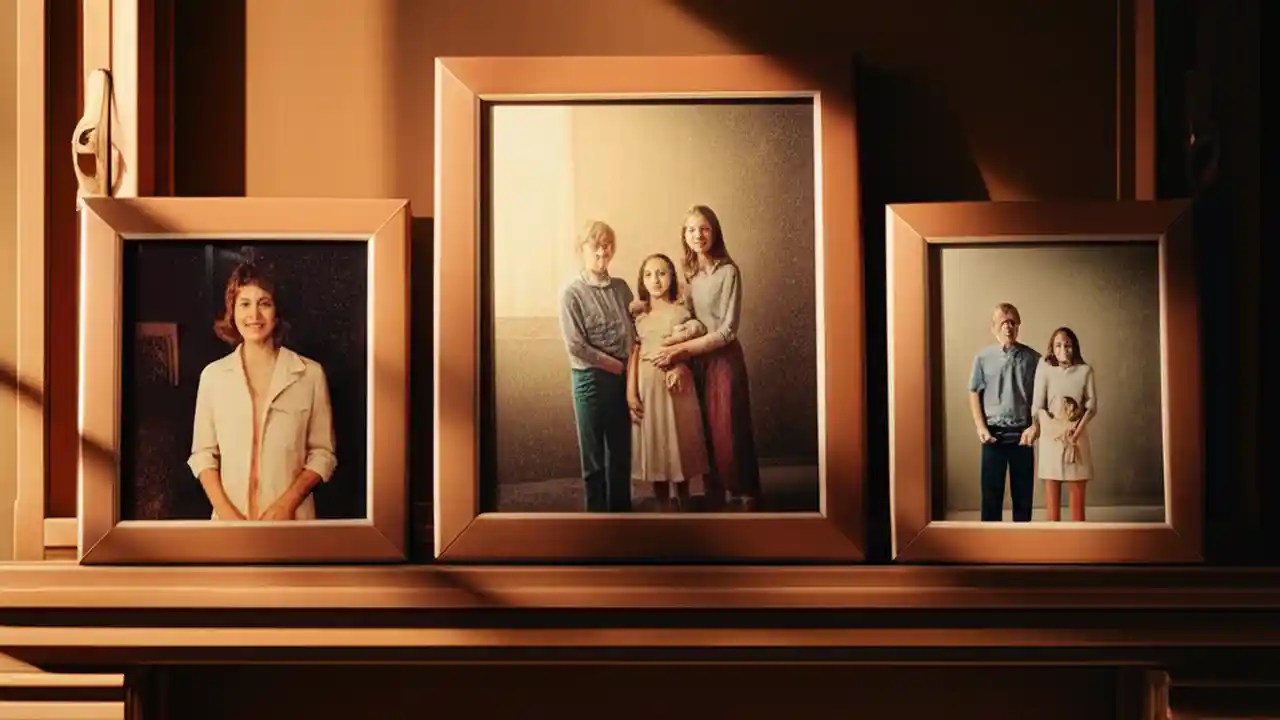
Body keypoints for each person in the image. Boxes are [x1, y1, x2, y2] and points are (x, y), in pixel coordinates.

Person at [187, 262, 337, 521]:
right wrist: (226, 514)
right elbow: (203, 455)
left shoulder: (310, 374)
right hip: (228, 526)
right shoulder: (213, 377)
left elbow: (323, 454)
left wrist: (286, 505)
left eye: (264, 303)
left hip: (293, 522)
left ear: (277, 312)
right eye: (244, 304)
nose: (254, 315)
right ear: (232, 311)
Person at [650, 205, 761, 511]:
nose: (697, 235)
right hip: (697, 361)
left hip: (724, 360)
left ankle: (744, 493)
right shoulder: (688, 276)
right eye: (690, 230)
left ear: (714, 232)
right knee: (704, 428)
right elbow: (690, 319)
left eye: (704, 229)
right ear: (684, 235)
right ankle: (715, 491)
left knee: (729, 427)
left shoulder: (729, 272)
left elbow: (727, 331)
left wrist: (681, 350)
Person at [558, 221, 636, 512]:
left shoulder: (622, 288)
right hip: (589, 380)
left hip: (622, 380)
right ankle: (597, 520)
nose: (603, 250)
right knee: (593, 458)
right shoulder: (571, 293)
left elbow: (634, 329)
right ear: (582, 249)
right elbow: (576, 346)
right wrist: (614, 365)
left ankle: (621, 514)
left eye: (608, 245)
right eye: (596, 245)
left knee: (620, 452)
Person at [626, 253, 710, 512]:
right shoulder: (639, 318)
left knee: (679, 444)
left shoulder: (681, 313)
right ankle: (663, 505)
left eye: (662, 273)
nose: (656, 280)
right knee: (657, 446)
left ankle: (683, 500)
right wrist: (631, 392)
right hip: (647, 389)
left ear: (672, 276)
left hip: (676, 390)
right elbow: (635, 354)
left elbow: (690, 348)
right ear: (642, 280)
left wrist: (681, 366)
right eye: (649, 274)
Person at [968, 302, 1040, 522]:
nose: (1008, 327)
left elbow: (1042, 397)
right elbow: (974, 392)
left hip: (1022, 435)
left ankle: (1023, 546)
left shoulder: (1033, 359)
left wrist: (1035, 426)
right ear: (994, 328)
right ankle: (989, 546)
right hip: (993, 435)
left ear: (1018, 326)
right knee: (990, 497)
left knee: (1023, 497)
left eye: (1012, 322)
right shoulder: (982, 359)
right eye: (1002, 323)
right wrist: (981, 427)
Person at [1028, 327, 1097, 521]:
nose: (1063, 349)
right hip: (1052, 438)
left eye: (1067, 345)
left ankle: (1079, 544)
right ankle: (1054, 545)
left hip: (1076, 437)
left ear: (1074, 347)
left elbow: (1092, 406)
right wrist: (1049, 427)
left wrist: (1076, 431)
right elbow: (1037, 405)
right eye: (1058, 345)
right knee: (1052, 507)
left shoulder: (1085, 371)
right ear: (1052, 348)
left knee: (1077, 504)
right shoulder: (1045, 370)